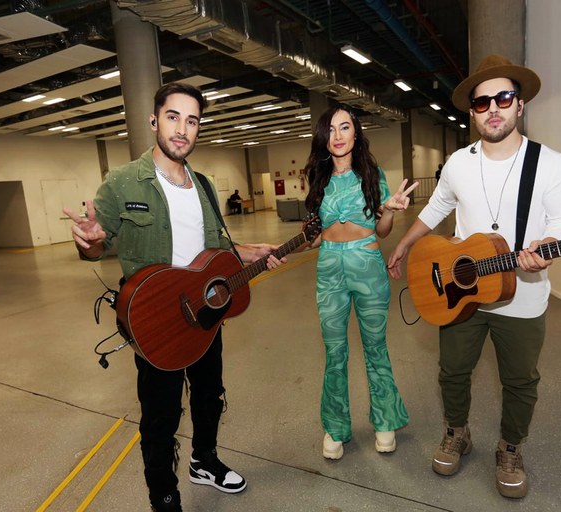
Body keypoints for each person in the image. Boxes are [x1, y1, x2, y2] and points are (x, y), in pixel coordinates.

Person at [63, 82, 284, 512]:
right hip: (156, 320)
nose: (182, 129)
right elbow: (96, 244)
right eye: (173, 117)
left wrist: (249, 252)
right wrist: (90, 242)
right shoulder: (123, 182)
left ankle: (204, 461)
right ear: (154, 121)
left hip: (204, 313)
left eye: (192, 120)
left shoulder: (203, 185)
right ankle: (163, 496)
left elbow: (213, 248)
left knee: (209, 395)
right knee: (160, 416)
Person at [387, 55, 561, 498]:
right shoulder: (459, 162)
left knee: (520, 381)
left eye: (503, 98)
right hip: (461, 294)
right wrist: (405, 243)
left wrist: (547, 247)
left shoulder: (551, 165)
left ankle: (510, 448)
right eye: (481, 102)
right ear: (472, 112)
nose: (493, 108)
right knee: (453, 372)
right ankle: (457, 432)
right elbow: (438, 206)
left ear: (520, 105)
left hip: (523, 295)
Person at [302, 104, 418, 460]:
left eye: (344, 127)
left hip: (367, 264)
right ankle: (335, 427)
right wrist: (297, 241)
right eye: (331, 129)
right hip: (329, 268)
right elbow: (315, 238)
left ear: (356, 132)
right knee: (334, 352)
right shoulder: (317, 177)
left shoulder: (371, 174)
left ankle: (385, 422)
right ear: (323, 137)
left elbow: (381, 231)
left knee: (375, 347)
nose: (337, 136)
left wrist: (390, 211)